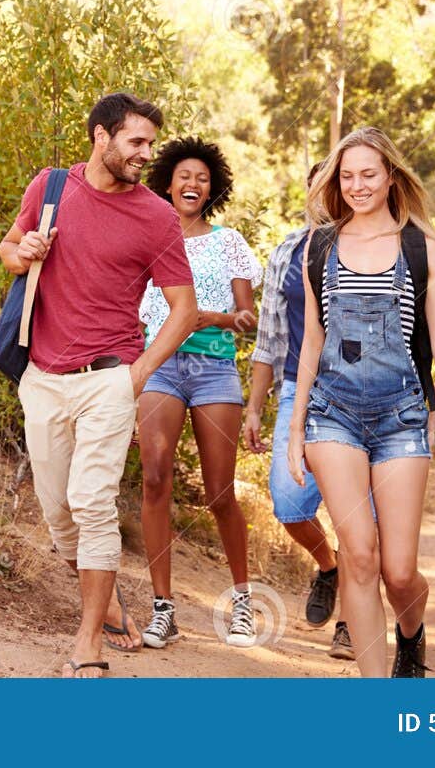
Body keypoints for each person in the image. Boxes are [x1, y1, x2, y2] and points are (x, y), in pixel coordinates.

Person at [0, 92, 198, 678]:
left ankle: (89, 644)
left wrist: (136, 376)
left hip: (109, 378)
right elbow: (9, 248)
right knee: (57, 513)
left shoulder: (156, 217)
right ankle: (106, 601)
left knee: (92, 504)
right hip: (42, 377)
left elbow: (183, 309)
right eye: (136, 142)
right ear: (100, 137)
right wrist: (22, 250)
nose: (145, 154)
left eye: (150, 145)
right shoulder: (51, 187)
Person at [286, 127, 435, 678]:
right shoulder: (318, 247)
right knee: (359, 555)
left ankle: (411, 633)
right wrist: (295, 429)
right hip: (331, 414)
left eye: (369, 174)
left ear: (391, 176)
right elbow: (312, 342)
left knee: (399, 570)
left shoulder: (423, 249)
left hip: (401, 418)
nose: (358, 185)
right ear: (335, 183)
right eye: (347, 176)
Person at [135, 137, 263, 649]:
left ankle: (243, 603)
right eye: (184, 176)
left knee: (219, 492)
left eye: (202, 178)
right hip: (158, 365)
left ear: (213, 188)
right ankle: (163, 608)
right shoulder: (146, 236)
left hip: (213, 367)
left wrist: (211, 317)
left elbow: (248, 319)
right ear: (167, 182)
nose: (193, 184)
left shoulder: (229, 240)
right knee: (154, 477)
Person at [246, 161, 356, 660]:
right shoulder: (289, 250)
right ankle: (329, 566)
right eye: (321, 184)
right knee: (289, 505)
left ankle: (351, 626)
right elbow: (268, 338)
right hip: (300, 390)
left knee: (359, 517)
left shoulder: (373, 245)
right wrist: (253, 407)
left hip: (361, 396)